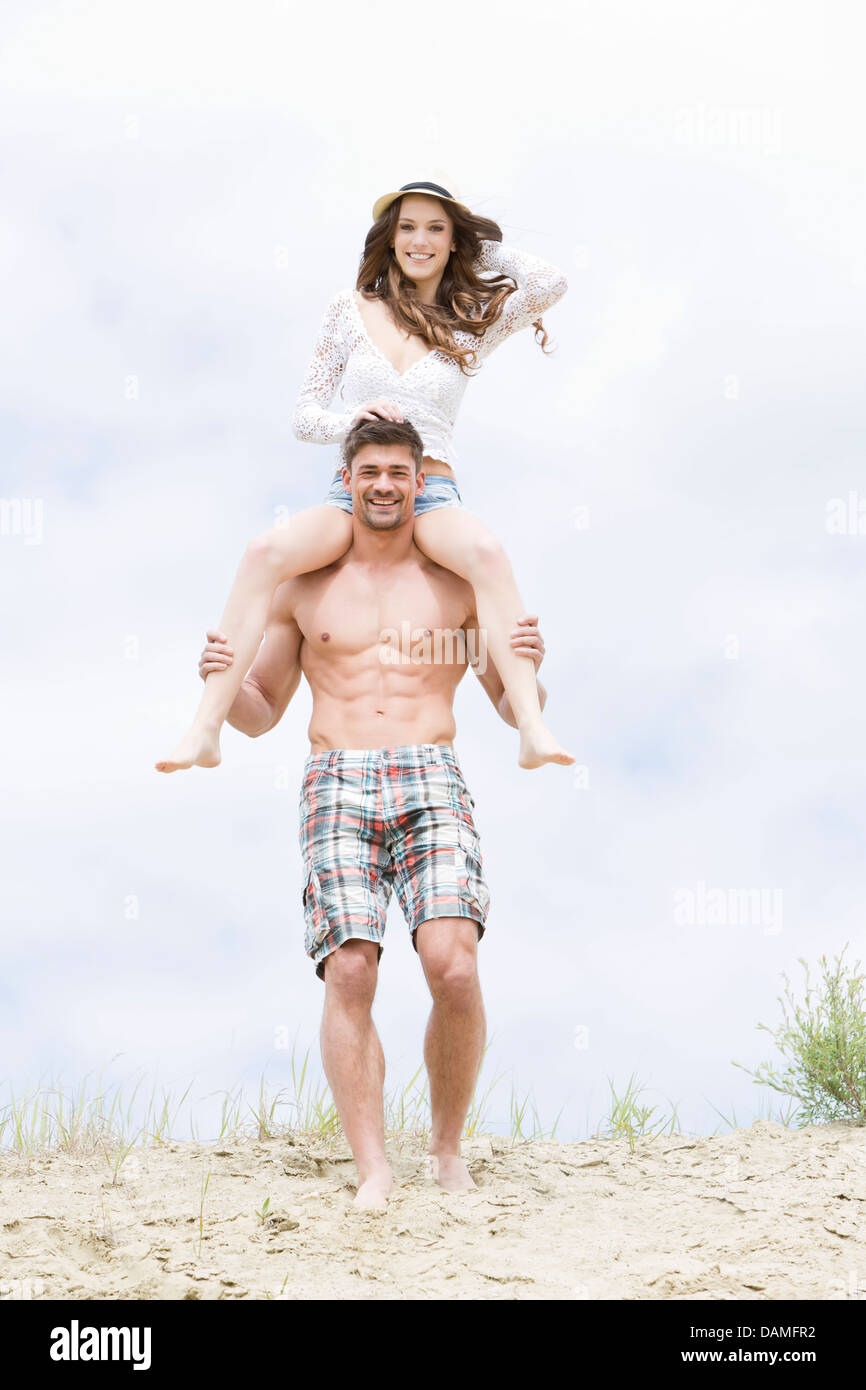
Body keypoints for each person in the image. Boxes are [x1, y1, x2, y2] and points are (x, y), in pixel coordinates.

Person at [197, 417, 551, 1208]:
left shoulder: (455, 587)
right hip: (336, 777)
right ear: (347, 483)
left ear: (421, 482)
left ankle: (446, 1151)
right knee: (350, 967)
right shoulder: (304, 588)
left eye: (399, 472)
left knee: (453, 967)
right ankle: (374, 1171)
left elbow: (505, 700)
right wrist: (220, 690)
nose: (385, 485)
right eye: (370, 473)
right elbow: (263, 709)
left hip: (431, 774)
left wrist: (532, 668)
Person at [156, 179, 573, 775]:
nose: (418, 240)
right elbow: (303, 415)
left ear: (453, 241)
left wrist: (476, 240)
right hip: (350, 491)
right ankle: (203, 729)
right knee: (263, 550)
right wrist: (349, 418)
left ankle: (532, 728)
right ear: (389, 237)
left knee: (484, 551)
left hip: (431, 491)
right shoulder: (349, 310)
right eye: (407, 227)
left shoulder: (469, 328)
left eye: (435, 228)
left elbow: (550, 284)